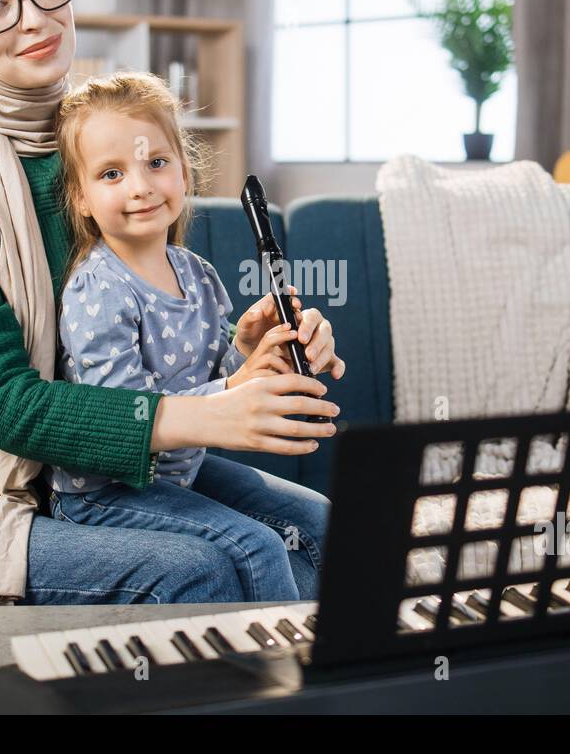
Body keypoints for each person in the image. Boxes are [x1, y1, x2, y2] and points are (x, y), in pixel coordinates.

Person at [0, 0, 338, 608]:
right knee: (201, 572)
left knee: (327, 531)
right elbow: (4, 402)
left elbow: (145, 317)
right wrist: (217, 411)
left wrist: (247, 355)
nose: (32, 18)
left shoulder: (94, 136)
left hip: (99, 474)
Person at [46, 72, 345, 601]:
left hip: (180, 475)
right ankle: (278, 677)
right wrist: (236, 389)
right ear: (81, 198)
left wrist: (251, 352)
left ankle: (354, 655)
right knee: (258, 546)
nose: (140, 186)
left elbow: (213, 377)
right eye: (112, 173)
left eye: (156, 163)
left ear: (184, 174)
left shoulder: (197, 273)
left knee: (321, 517)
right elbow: (128, 416)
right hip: (105, 491)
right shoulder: (97, 288)